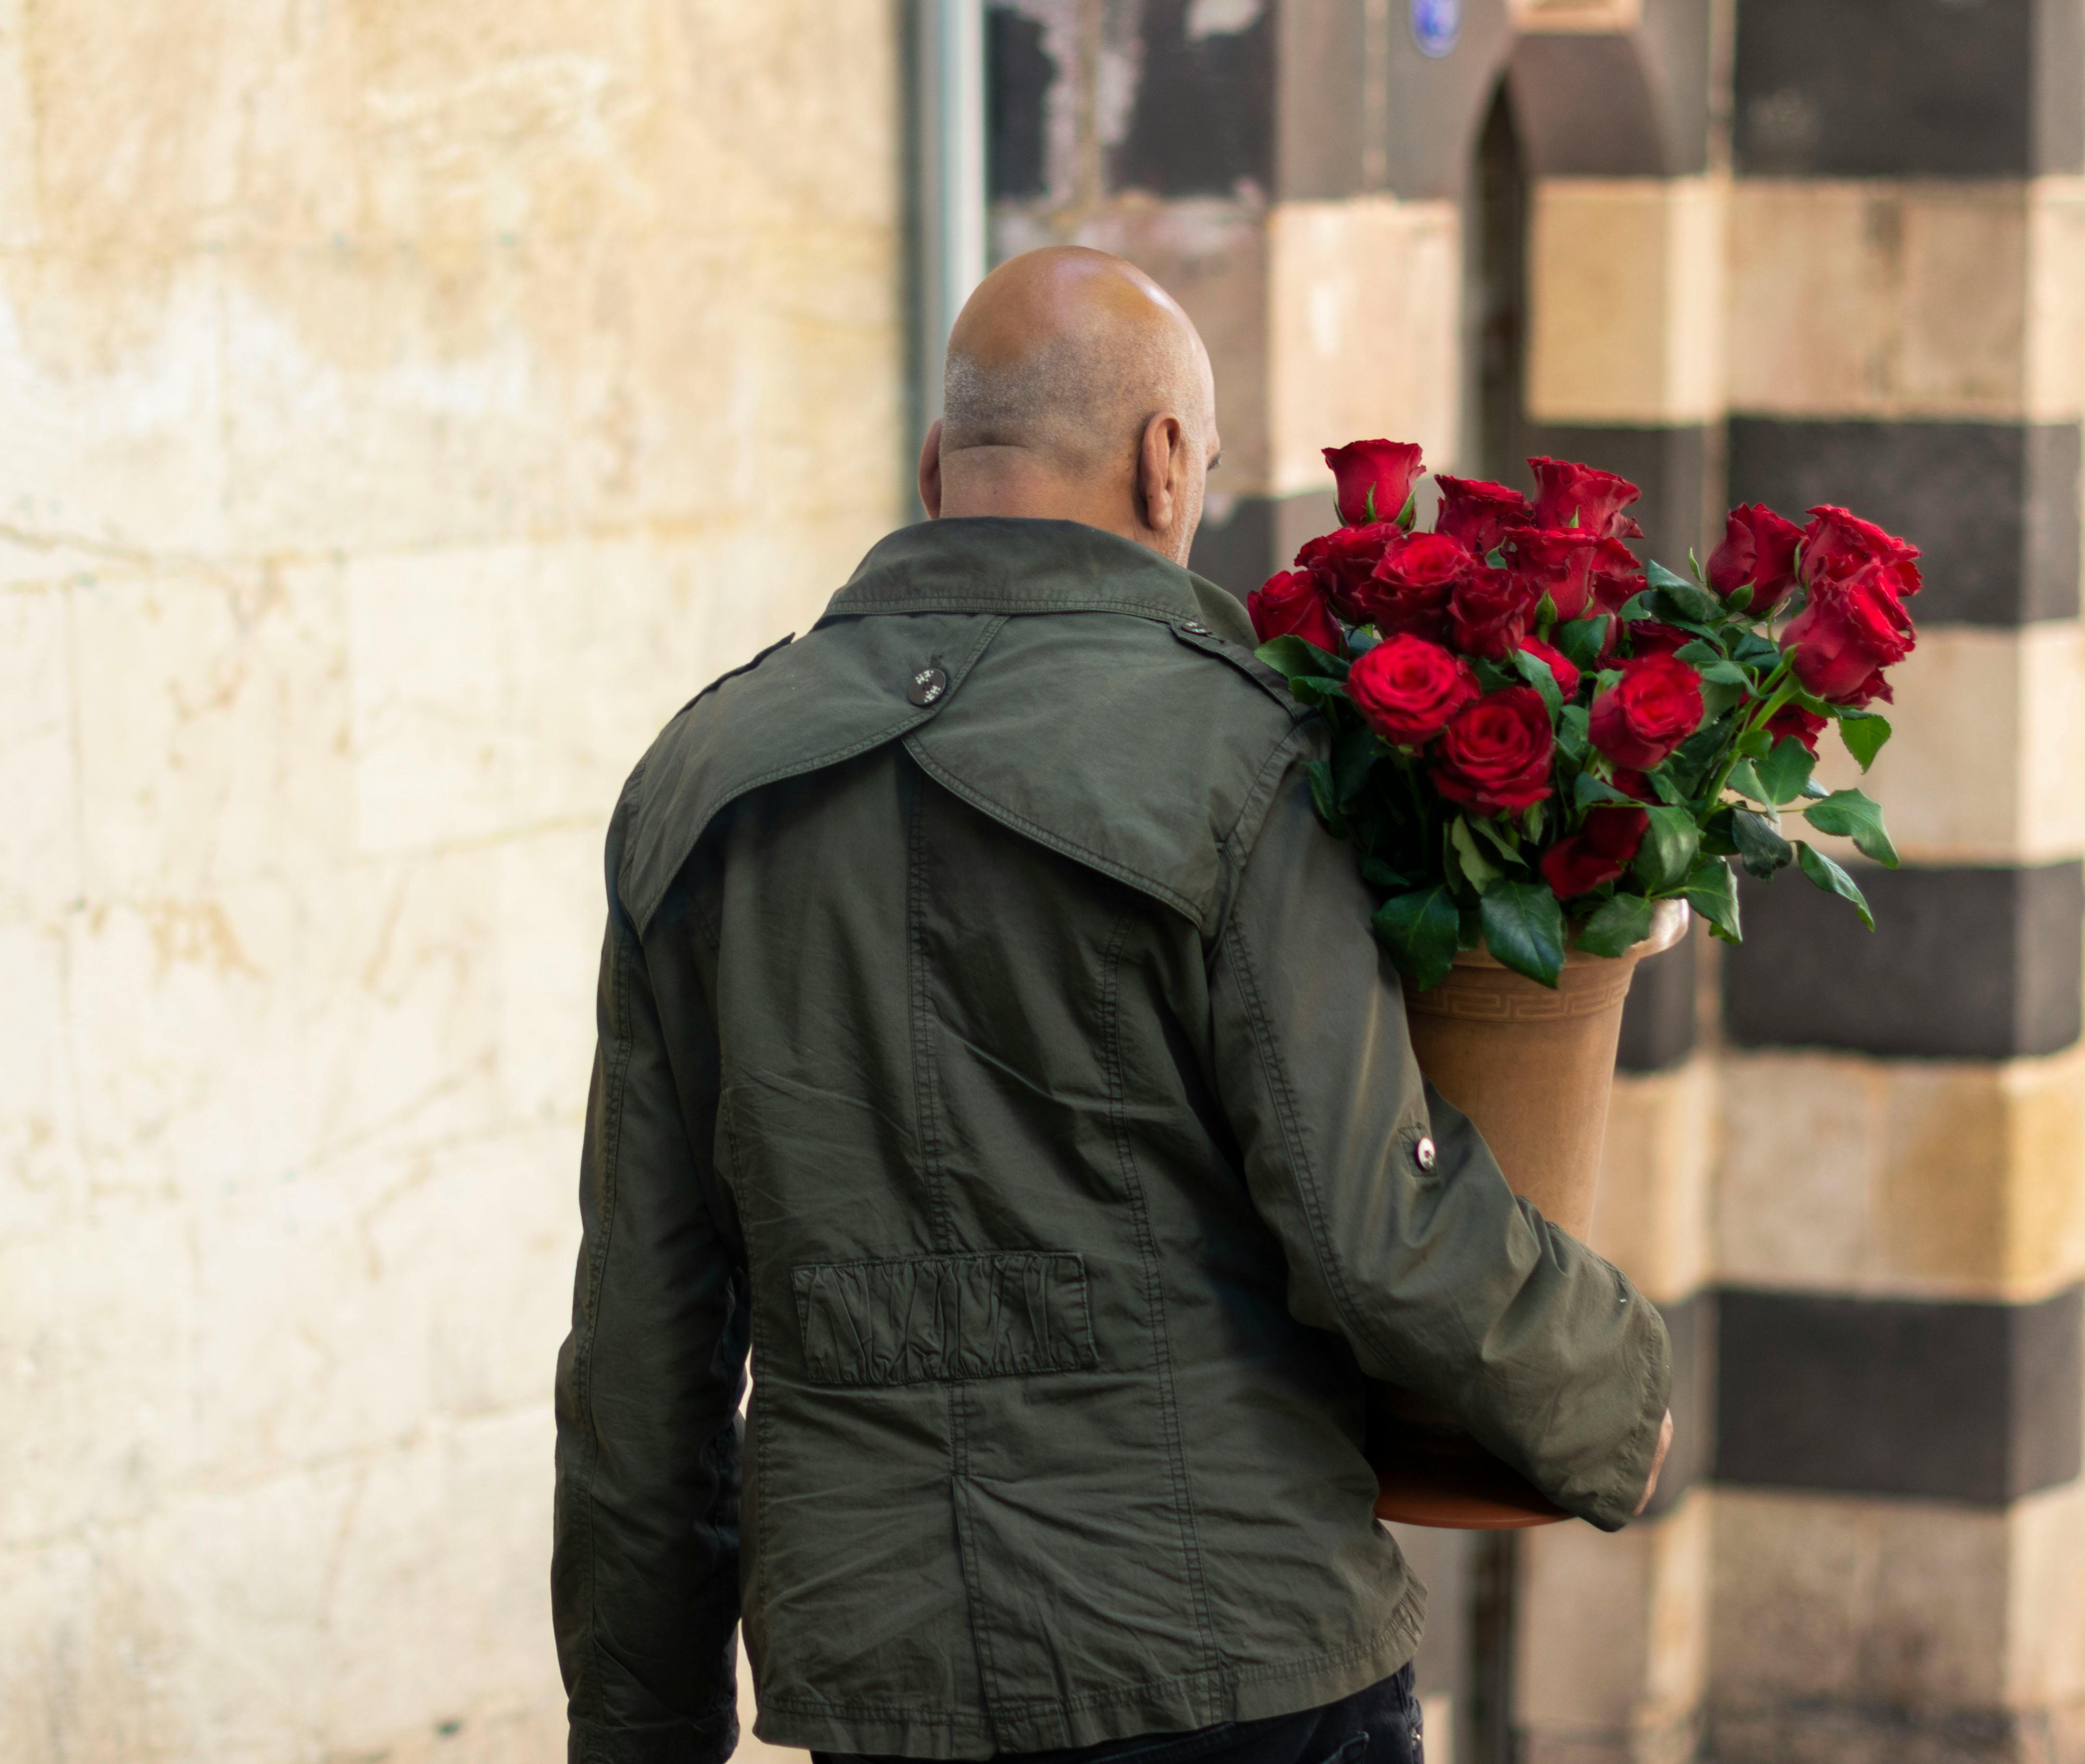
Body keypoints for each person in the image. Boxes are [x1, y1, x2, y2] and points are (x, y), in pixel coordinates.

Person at [551, 246, 1673, 1764]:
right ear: (1163, 465)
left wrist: (643, 1729)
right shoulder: (1242, 757)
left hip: (889, 1688)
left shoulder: (697, 782)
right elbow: (1378, 1231)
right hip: (1240, 1670)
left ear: (940, 465)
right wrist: (1606, 1385)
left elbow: (642, 1353)